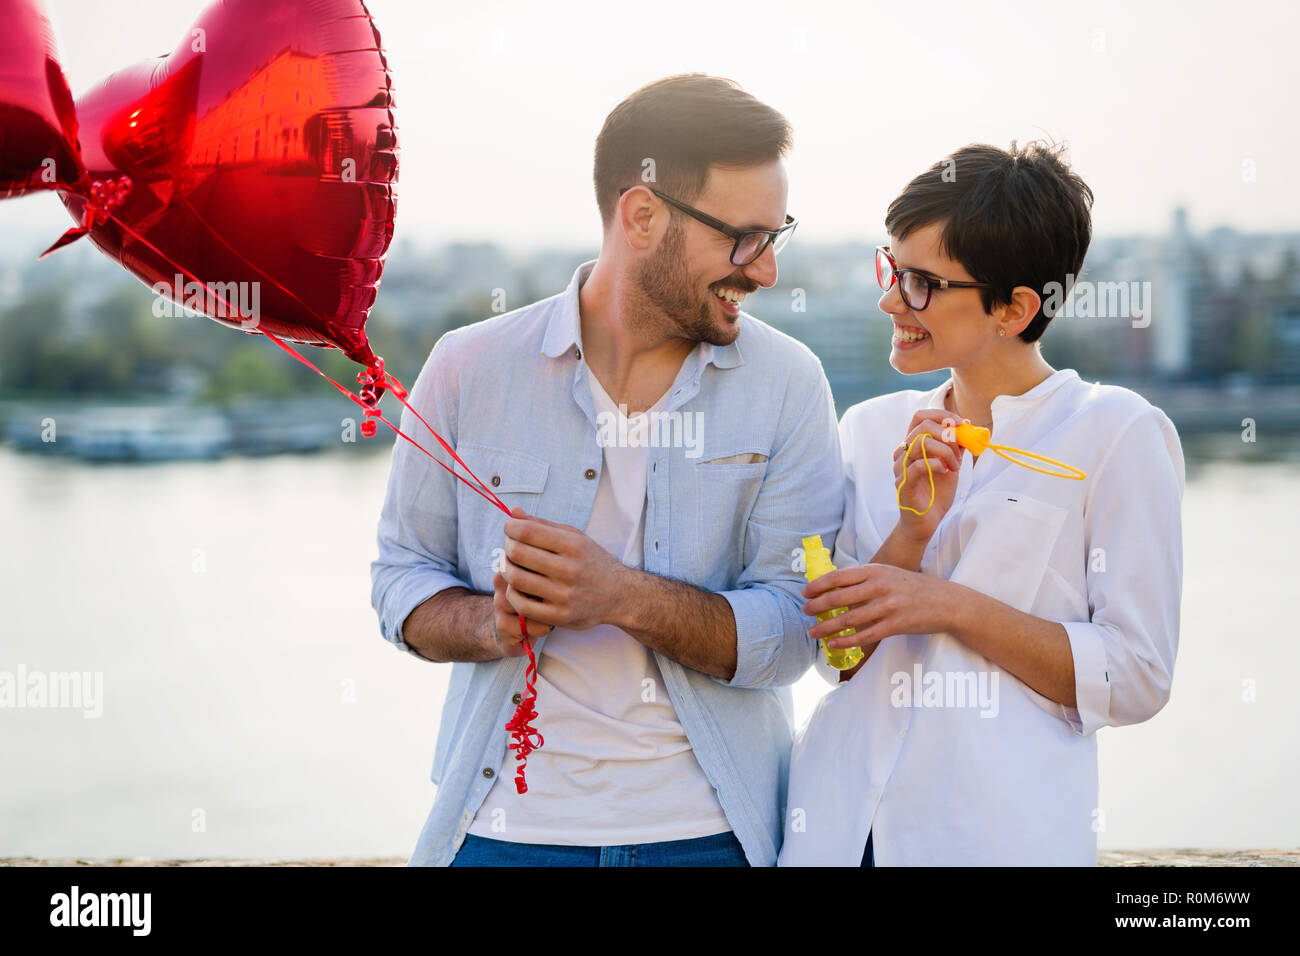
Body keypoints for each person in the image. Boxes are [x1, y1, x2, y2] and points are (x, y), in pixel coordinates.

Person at [370, 74, 843, 867]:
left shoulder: (789, 384)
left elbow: (797, 631)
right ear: (644, 215)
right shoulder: (466, 367)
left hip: (715, 840)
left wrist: (619, 595)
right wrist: (490, 624)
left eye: (776, 236)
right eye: (744, 238)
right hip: (500, 838)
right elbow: (400, 580)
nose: (765, 272)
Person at [778, 141, 1184, 866]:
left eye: (922, 284)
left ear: (1015, 307)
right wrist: (910, 533)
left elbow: (1137, 676)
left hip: (994, 839)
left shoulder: (1117, 433)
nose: (890, 301)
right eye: (891, 270)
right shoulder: (869, 431)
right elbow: (834, 657)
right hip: (834, 830)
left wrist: (948, 605)